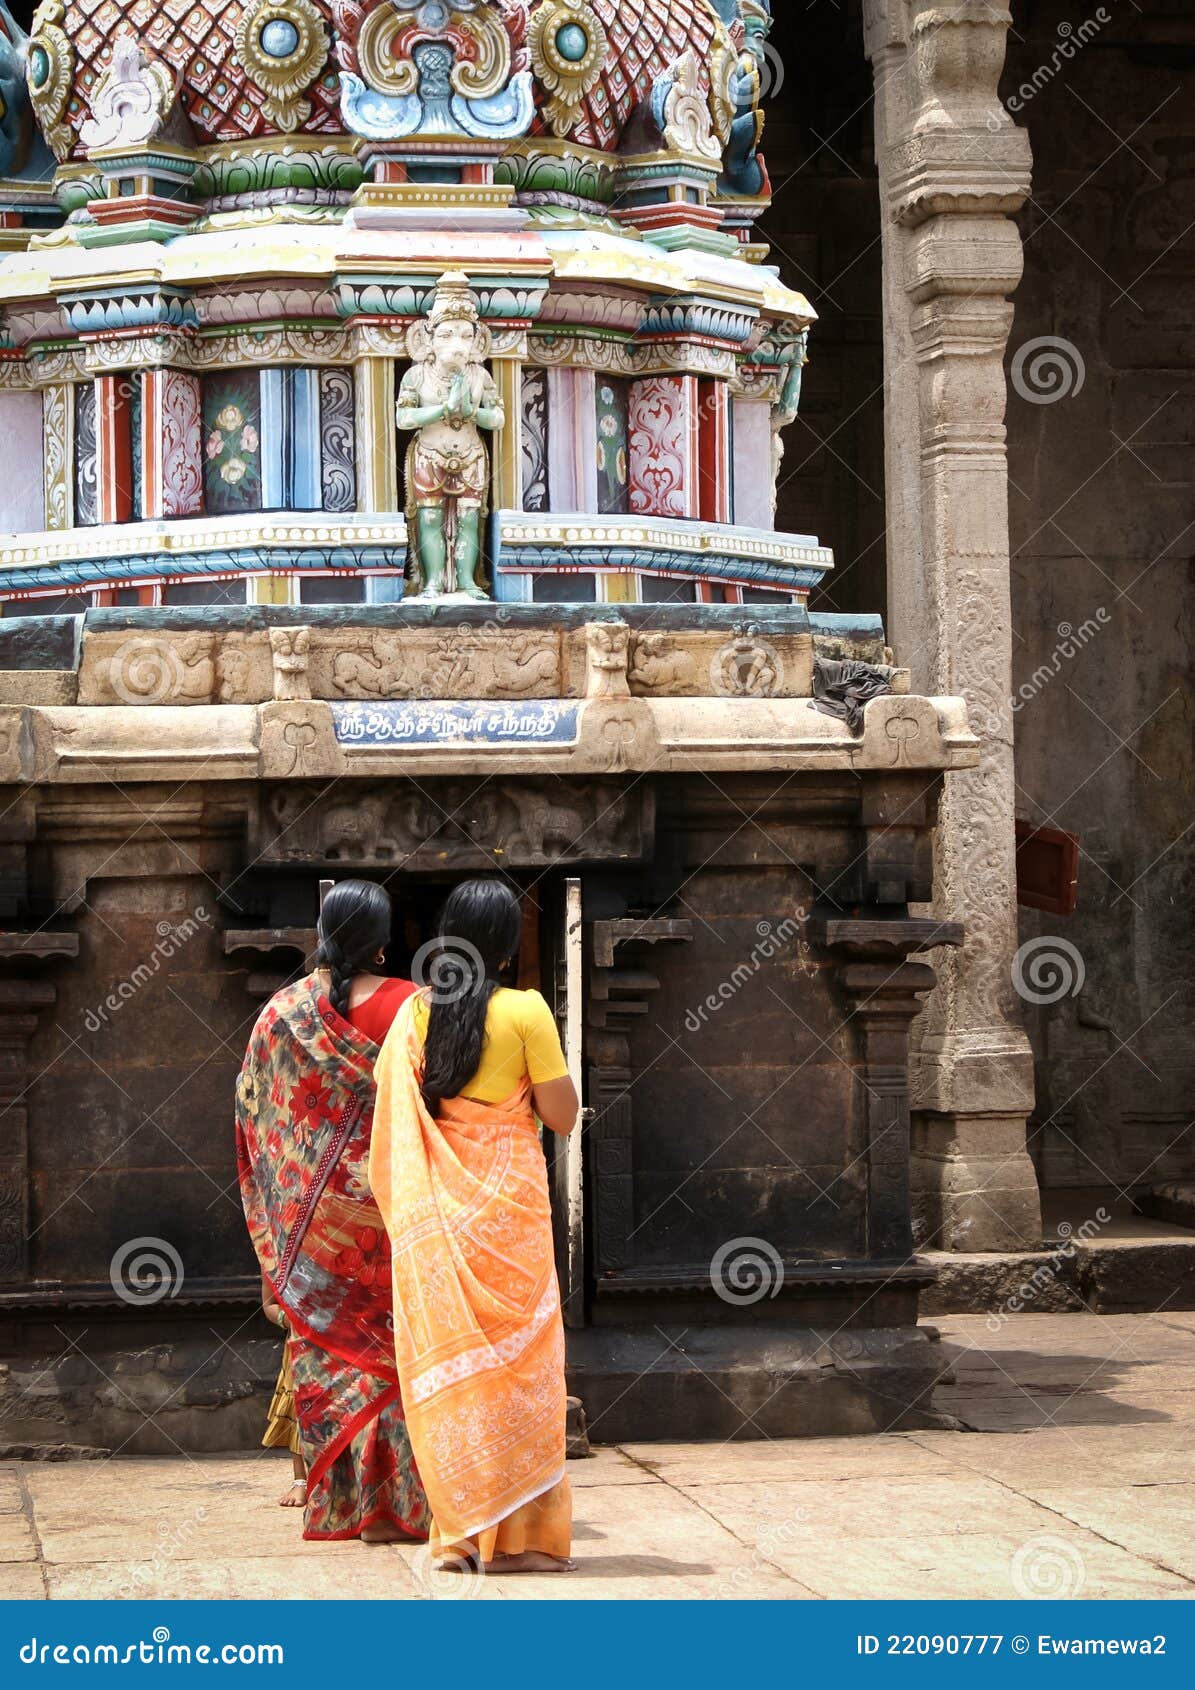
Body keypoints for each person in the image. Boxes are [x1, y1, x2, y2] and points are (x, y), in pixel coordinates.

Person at [370, 878, 579, 1573]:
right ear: (507, 941)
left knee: (458, 1369)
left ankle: (461, 1533)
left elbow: (396, 1120)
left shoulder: (414, 1015)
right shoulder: (527, 1011)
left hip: (442, 1217)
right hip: (512, 1220)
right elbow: (560, 1117)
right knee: (522, 1367)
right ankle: (521, 1539)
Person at [236, 879, 429, 1544]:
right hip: (393, 1208)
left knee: (322, 1349)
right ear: (382, 943)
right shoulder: (412, 1005)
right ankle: (405, 1499)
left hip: (313, 1221)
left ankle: (335, 1496)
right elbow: (438, 1104)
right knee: (399, 1350)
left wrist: (280, 1213)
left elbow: (257, 1121)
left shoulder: (279, 1015)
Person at [260, 1282, 306, 1507]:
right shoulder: (272, 1249)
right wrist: (291, 1321)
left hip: (344, 1332)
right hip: (301, 1338)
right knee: (297, 1402)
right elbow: (269, 1305)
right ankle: (301, 1480)